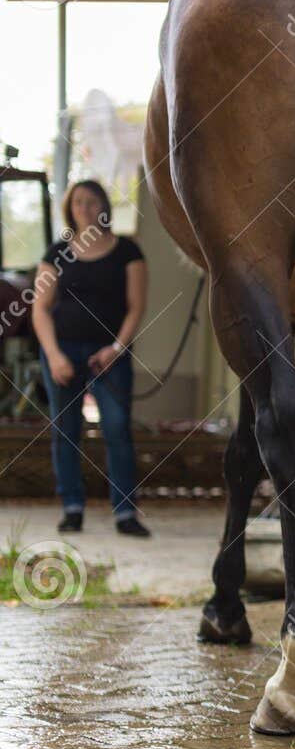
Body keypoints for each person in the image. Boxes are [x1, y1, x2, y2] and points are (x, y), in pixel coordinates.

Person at [31, 179, 151, 537]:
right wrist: (53, 356)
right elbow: (40, 309)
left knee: (116, 428)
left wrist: (116, 349)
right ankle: (72, 508)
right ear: (70, 209)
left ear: (104, 206)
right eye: (78, 202)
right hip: (63, 351)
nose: (85, 208)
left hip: (109, 355)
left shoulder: (127, 251)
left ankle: (125, 513)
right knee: (66, 432)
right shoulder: (56, 253)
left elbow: (136, 307)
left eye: (92, 201)